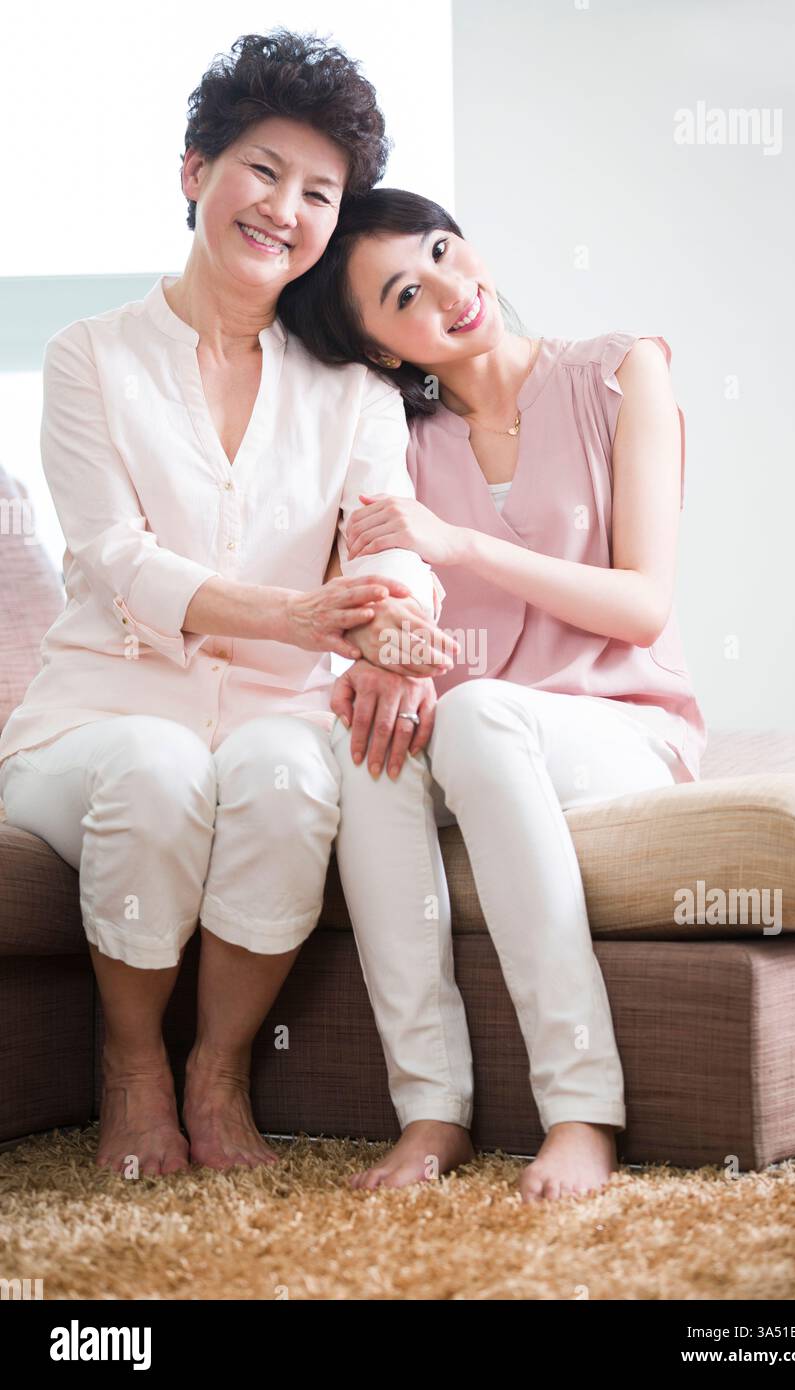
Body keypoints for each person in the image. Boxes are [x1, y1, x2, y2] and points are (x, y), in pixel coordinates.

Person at [0, 35, 458, 1178]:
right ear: (195, 169)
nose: (286, 210)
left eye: (319, 193)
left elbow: (391, 541)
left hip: (271, 713)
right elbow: (110, 556)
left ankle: (215, 1069)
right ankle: (131, 1068)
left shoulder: (349, 391)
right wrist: (295, 617)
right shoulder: (89, 357)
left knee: (293, 775)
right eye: (263, 171)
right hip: (95, 713)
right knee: (156, 766)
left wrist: (396, 629)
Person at [278, 187, 708, 1202]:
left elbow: (641, 604)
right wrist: (380, 655)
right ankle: (430, 1110)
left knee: (473, 710)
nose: (451, 290)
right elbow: (378, 601)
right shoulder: (399, 446)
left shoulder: (616, 369)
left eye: (442, 251)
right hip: (482, 739)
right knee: (364, 741)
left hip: (623, 725)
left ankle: (579, 1110)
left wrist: (460, 543)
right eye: (406, 293)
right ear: (382, 349)